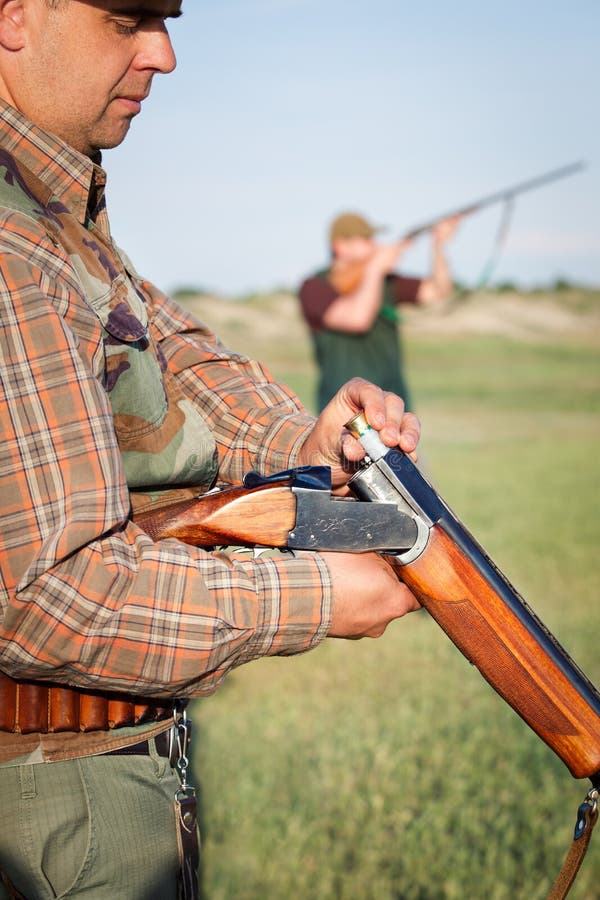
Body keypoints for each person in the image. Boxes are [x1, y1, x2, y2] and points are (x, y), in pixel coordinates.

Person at [0, 3, 422, 898]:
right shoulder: (9, 241)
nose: (166, 54)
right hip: (54, 800)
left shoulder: (46, 206)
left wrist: (297, 442)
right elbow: (41, 597)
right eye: (128, 20)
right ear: (17, 18)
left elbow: (156, 352)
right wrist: (309, 598)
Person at [299, 210, 460, 412]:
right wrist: (375, 268)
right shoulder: (314, 287)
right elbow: (357, 319)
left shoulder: (385, 282)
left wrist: (438, 245)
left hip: (392, 406)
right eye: (366, 239)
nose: (374, 244)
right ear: (340, 246)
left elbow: (438, 291)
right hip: (343, 412)